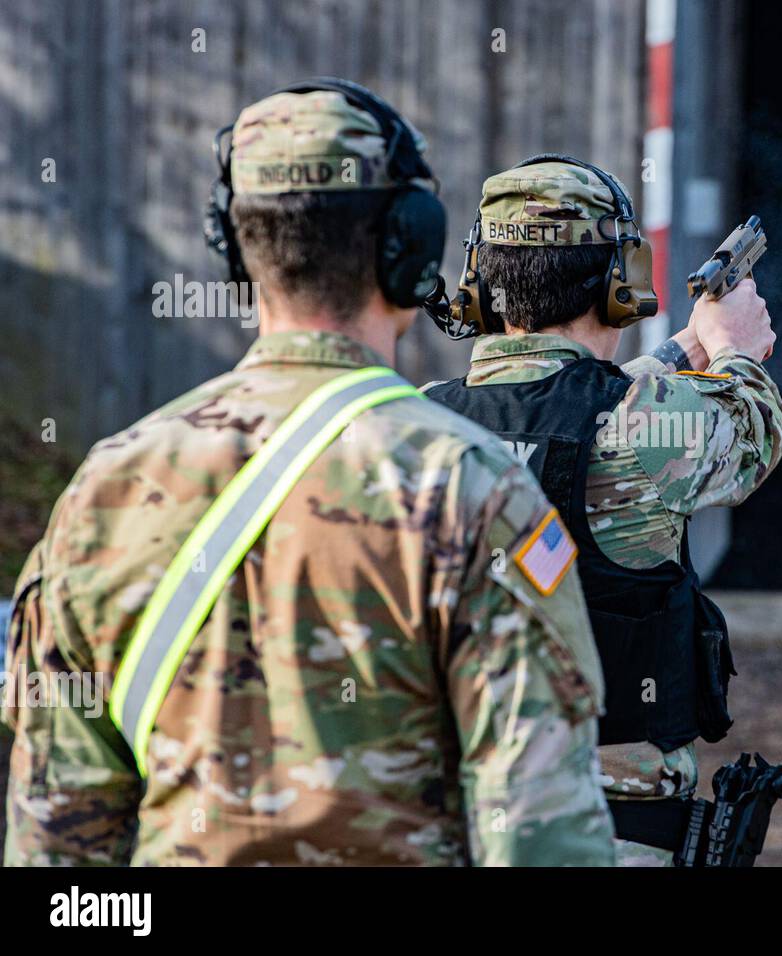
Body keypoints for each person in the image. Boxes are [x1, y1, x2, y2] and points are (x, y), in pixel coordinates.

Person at [1, 82, 614, 866]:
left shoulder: (104, 491)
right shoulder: (473, 491)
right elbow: (540, 836)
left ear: (233, 248)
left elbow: (59, 856)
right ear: (410, 251)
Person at [425, 156, 782, 865]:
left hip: (446, 823)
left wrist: (682, 352)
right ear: (620, 281)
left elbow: (559, 410)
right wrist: (734, 348)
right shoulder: (643, 428)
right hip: (607, 836)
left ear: (479, 280)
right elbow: (754, 429)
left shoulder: (415, 419)